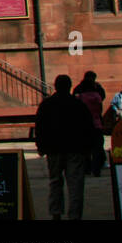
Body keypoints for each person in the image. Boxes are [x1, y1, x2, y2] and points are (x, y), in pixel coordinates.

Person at [35, 74, 97, 220]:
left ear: (55, 86)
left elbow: (40, 127)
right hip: (75, 149)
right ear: (69, 87)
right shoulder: (78, 105)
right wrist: (88, 150)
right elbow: (88, 128)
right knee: (75, 185)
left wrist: (41, 146)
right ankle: (75, 215)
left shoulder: (47, 104)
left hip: (54, 149)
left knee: (55, 182)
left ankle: (56, 213)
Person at [72, 72, 106, 177]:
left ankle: (87, 168)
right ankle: (96, 169)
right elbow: (100, 107)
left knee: (85, 148)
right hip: (96, 124)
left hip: (83, 125)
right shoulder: (97, 93)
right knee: (98, 147)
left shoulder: (79, 93)